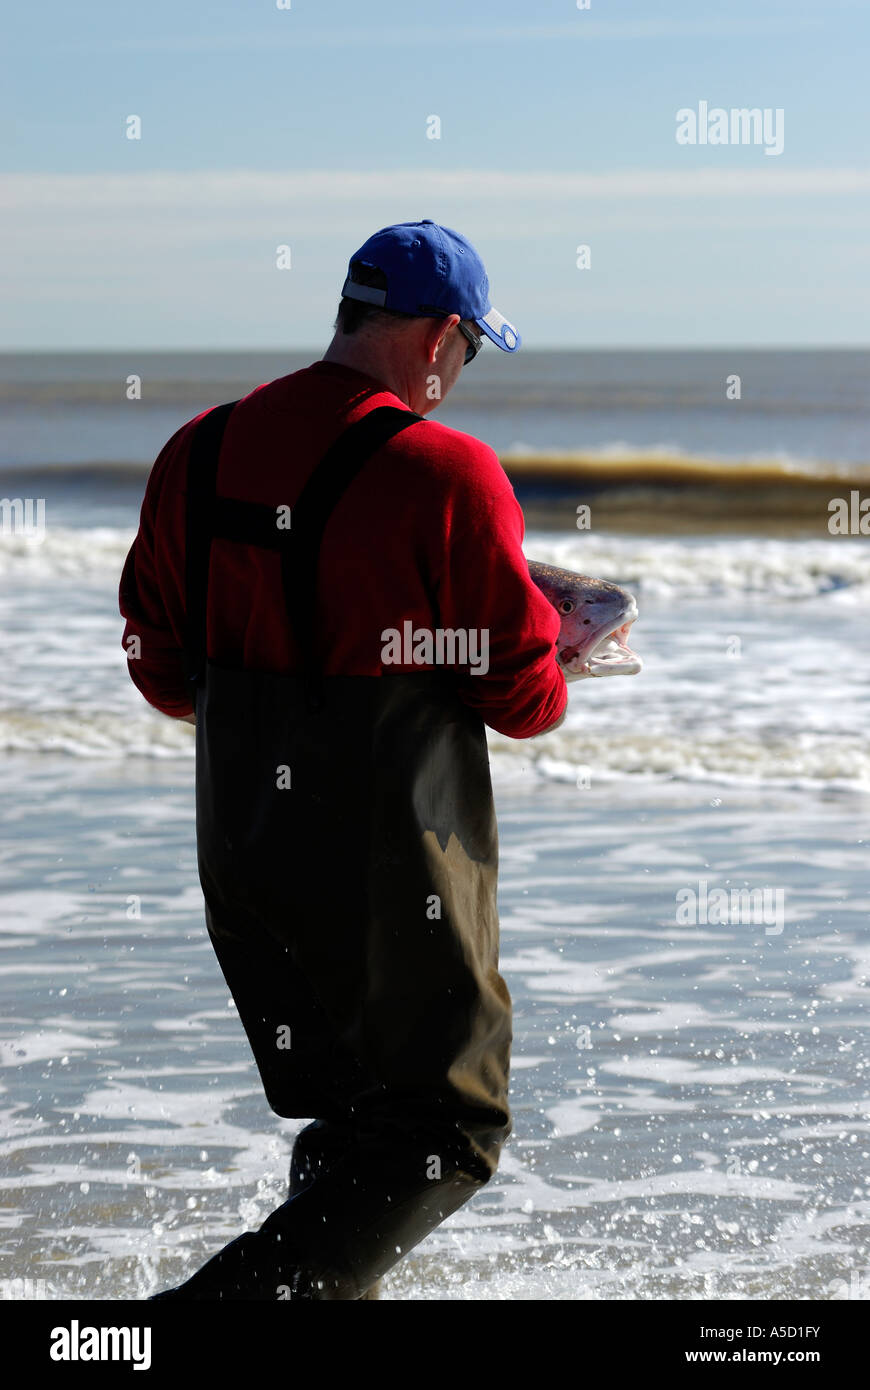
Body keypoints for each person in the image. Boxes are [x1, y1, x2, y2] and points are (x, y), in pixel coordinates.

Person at [119, 219, 568, 1300]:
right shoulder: (446, 472)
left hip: (242, 851)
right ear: (439, 335)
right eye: (466, 352)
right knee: (450, 1123)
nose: (457, 377)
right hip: (386, 872)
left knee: (359, 1114)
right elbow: (525, 699)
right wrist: (564, 643)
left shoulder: (200, 449)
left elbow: (159, 665)